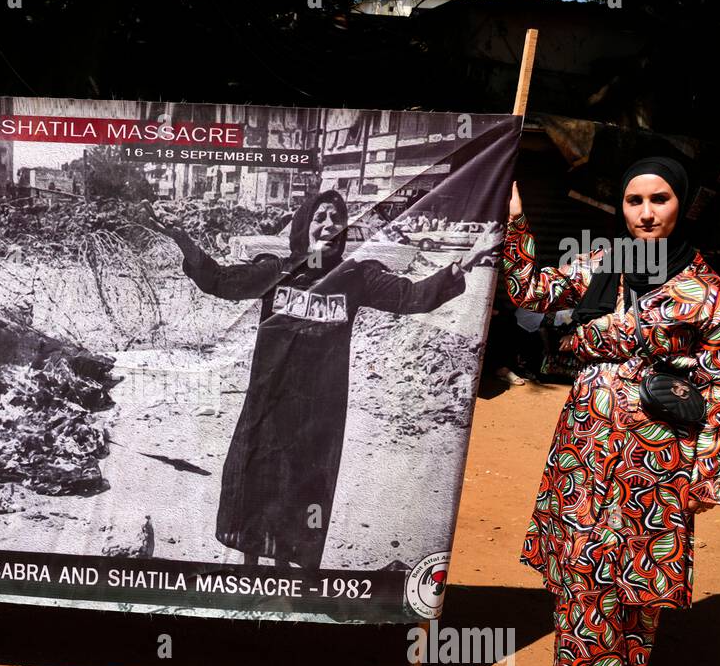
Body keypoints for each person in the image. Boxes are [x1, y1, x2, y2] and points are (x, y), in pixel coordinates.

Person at [500, 156, 720, 666]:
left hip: (654, 466)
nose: (646, 212)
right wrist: (517, 223)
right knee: (581, 580)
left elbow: (716, 391)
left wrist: (702, 481)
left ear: (682, 203)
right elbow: (531, 292)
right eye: (635, 201)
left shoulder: (704, 293)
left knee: (630, 590)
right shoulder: (604, 263)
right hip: (585, 451)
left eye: (659, 199)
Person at [146, 189, 500, 570]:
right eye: (320, 217)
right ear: (304, 225)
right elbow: (219, 281)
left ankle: (285, 577)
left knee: (304, 491)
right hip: (270, 403)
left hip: (320, 416)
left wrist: (466, 260)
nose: (329, 225)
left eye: (336, 218)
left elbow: (412, 296)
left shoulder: (355, 277)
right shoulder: (276, 271)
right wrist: (183, 240)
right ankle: (250, 574)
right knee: (256, 481)